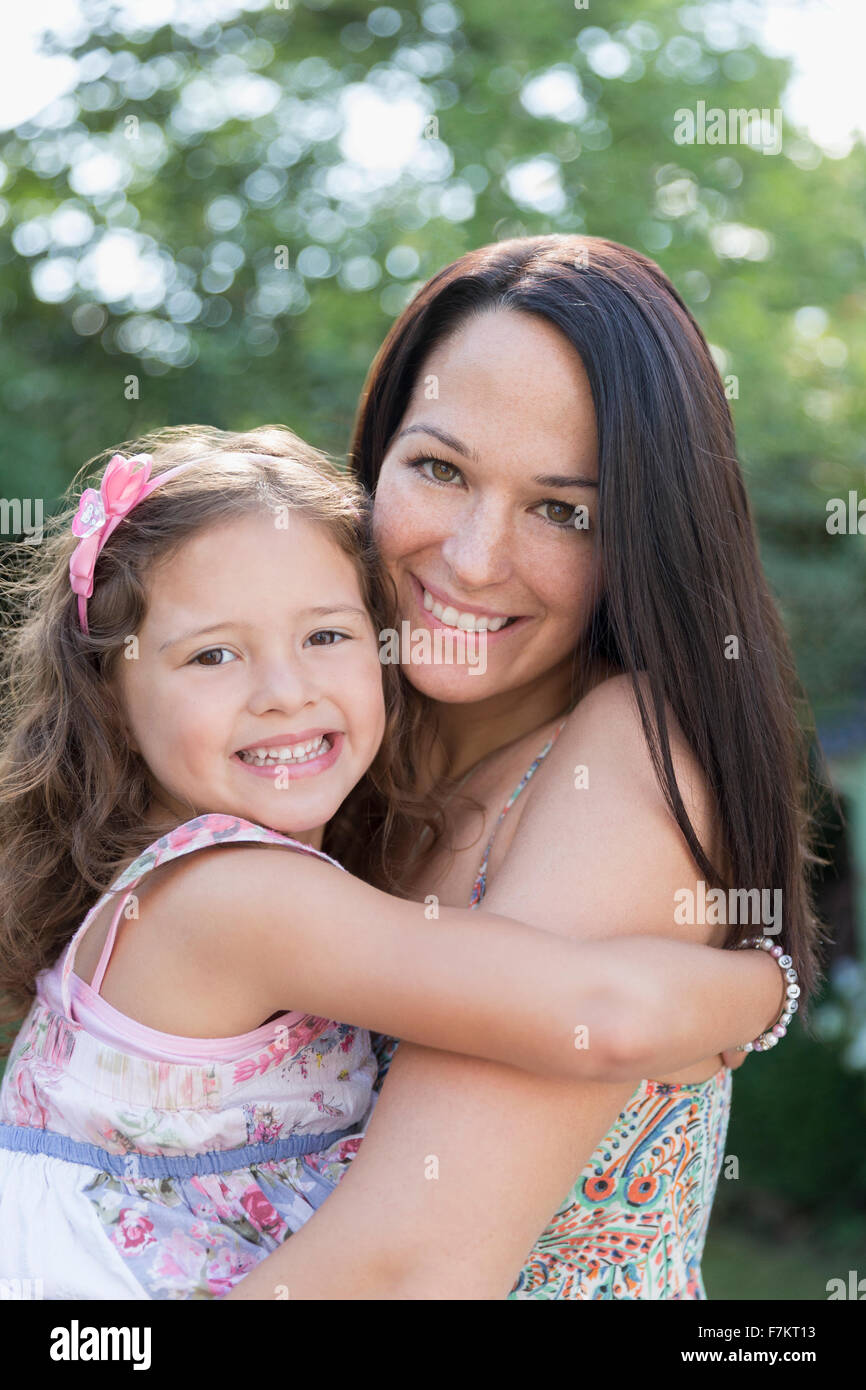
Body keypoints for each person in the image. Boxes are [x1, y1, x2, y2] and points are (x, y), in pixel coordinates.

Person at [0, 427, 794, 1300]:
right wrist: (766, 987)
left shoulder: (197, 881)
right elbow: (600, 1018)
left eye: (327, 637)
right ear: (109, 699)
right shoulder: (234, 895)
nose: (285, 691)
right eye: (213, 654)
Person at [227, 235, 829, 1300]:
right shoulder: (314, 742)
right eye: (439, 469)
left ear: (644, 539)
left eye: (563, 510)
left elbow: (404, 1267)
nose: (469, 558)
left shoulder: (627, 749)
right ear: (376, 456)